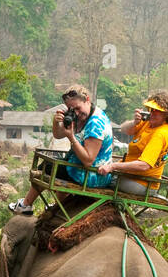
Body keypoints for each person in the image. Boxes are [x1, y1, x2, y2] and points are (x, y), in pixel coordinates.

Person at [9, 85, 112, 214]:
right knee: (59, 165)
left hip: (93, 174)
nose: (76, 113)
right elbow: (58, 135)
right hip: (82, 168)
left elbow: (88, 161)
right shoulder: (82, 117)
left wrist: (71, 137)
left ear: (87, 99)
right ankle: (57, 205)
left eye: (78, 108)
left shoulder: (96, 123)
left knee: (48, 167)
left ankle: (25, 205)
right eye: (71, 109)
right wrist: (56, 122)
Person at [96, 92, 168, 197]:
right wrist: (134, 123)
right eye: (151, 109)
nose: (152, 113)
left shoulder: (161, 134)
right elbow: (124, 129)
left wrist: (113, 166)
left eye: (157, 111)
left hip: (142, 183)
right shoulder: (149, 122)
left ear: (166, 114)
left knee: (101, 180)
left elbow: (144, 165)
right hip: (129, 176)